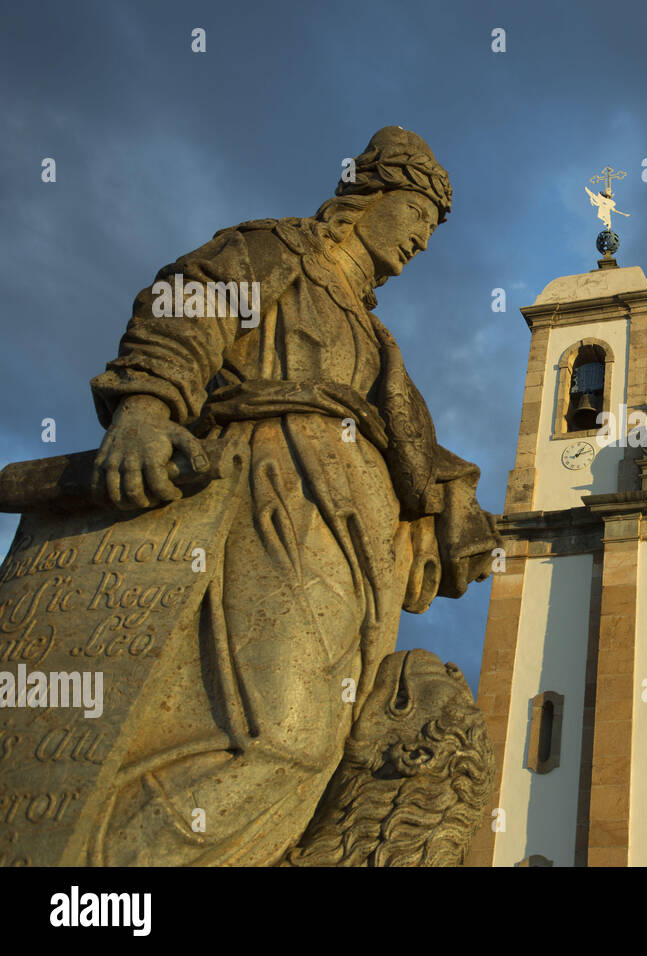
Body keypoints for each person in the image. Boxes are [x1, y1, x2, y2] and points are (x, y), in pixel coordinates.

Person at [84, 127, 499, 865]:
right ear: (368, 196)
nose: (423, 244)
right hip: (277, 488)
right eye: (416, 217)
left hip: (359, 543)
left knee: (322, 748)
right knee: (278, 734)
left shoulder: (374, 337)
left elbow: (416, 448)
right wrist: (146, 404)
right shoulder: (277, 253)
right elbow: (190, 299)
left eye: (432, 229)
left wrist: (456, 505)